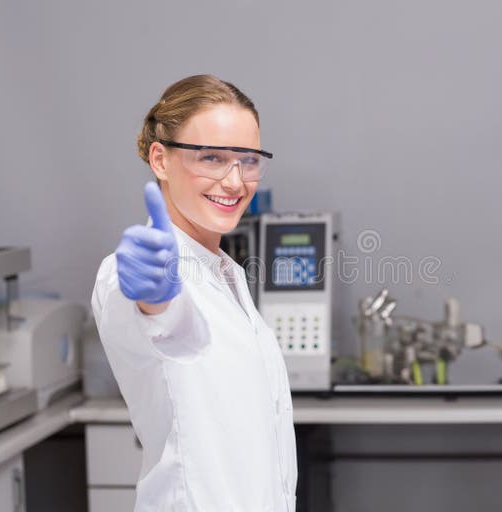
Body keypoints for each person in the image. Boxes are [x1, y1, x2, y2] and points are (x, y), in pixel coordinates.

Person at [91, 75, 297, 512]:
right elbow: (172, 330)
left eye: (249, 161)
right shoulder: (130, 276)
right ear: (160, 160)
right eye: (212, 158)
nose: (235, 181)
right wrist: (157, 300)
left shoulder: (227, 272)